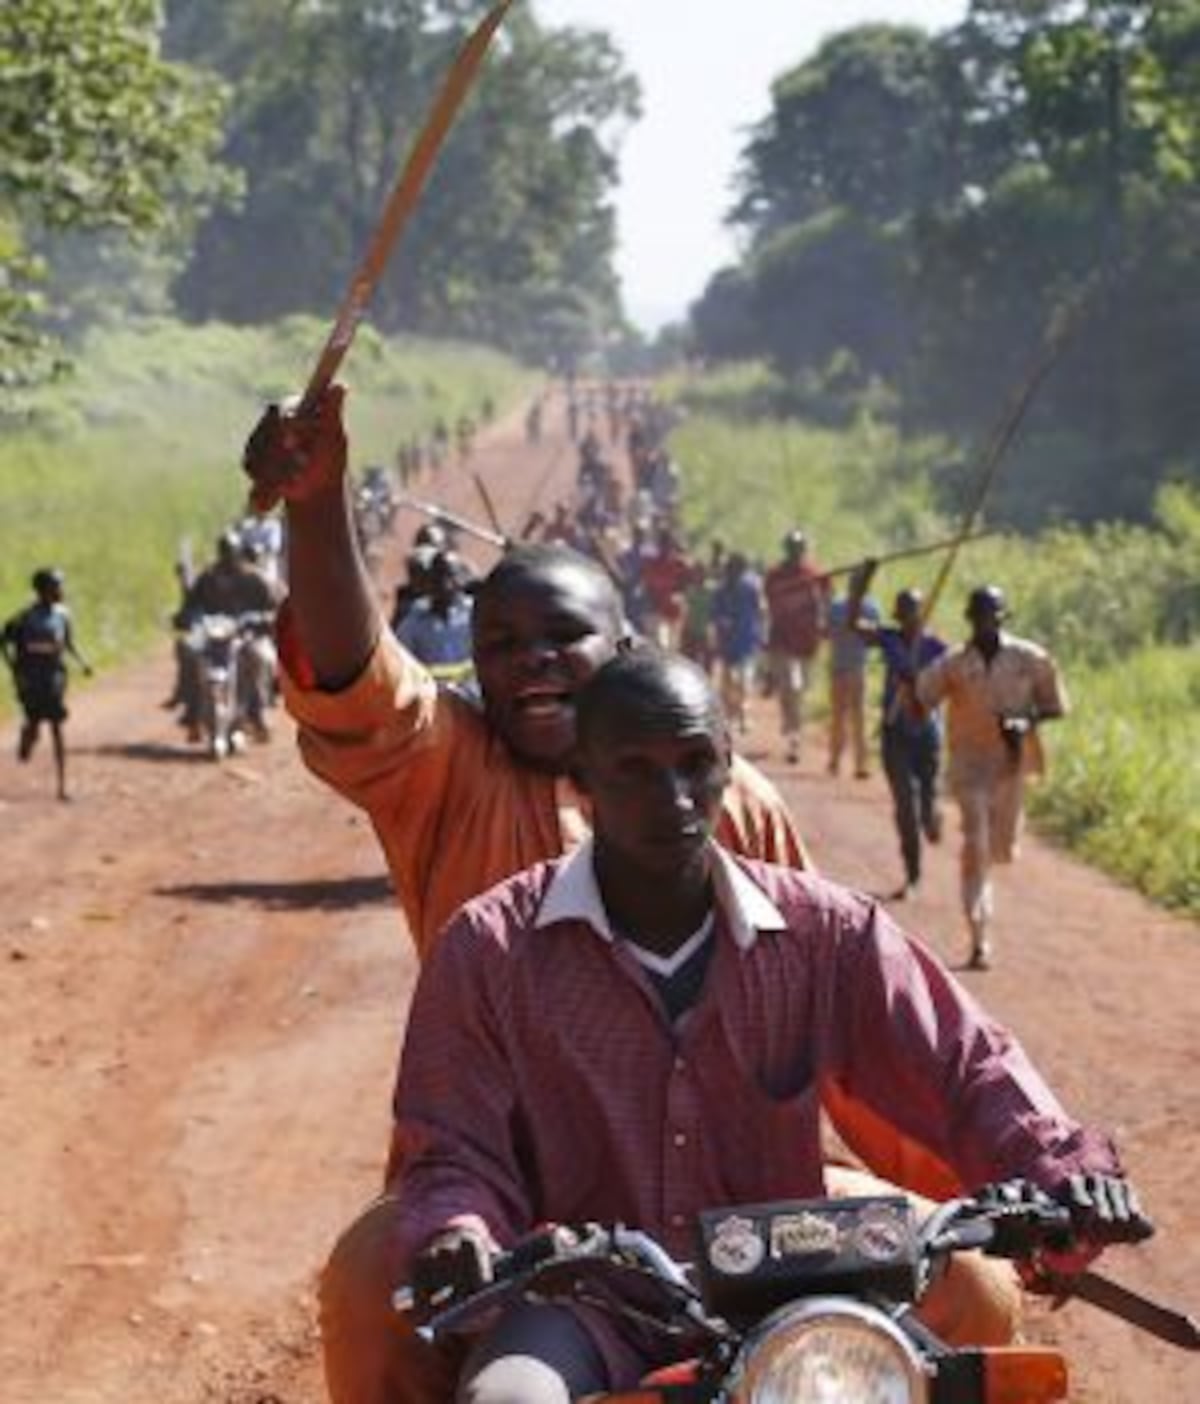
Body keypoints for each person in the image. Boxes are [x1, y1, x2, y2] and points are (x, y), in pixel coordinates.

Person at [385, 651, 1150, 1404]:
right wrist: (458, 1230)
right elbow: (453, 1146)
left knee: (954, 1382)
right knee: (508, 1398)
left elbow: (965, 1066)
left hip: (797, 1288)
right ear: (581, 783)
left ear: (728, 765)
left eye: (695, 764)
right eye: (635, 770)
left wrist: (1062, 1173)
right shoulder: (490, 948)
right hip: (583, 1303)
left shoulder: (830, 933)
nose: (675, 797)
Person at [917, 586, 1068, 970]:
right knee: (976, 845)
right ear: (970, 619)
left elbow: (1056, 705)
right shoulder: (954, 663)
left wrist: (1027, 719)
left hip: (1012, 766)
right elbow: (923, 696)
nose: (985, 623)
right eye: (979, 616)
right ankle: (979, 936)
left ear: (1002, 618)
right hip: (968, 767)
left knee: (1000, 849)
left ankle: (983, 905)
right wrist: (908, 672)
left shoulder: (1029, 658)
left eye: (992, 616)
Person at [849, 569, 948, 899]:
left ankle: (933, 814)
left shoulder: (936, 647)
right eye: (903, 614)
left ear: (921, 614)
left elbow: (953, 681)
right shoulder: (889, 639)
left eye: (912, 614)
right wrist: (858, 589)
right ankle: (913, 875)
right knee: (905, 805)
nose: (907, 620)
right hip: (895, 734)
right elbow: (853, 626)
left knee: (925, 806)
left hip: (927, 733)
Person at [174, 530, 280, 742]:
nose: (227, 558)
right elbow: (191, 604)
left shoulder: (254, 578)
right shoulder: (208, 577)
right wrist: (186, 617)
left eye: (231, 552)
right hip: (212, 634)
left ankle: (256, 713)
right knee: (188, 650)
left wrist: (264, 620)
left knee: (259, 657)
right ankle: (192, 712)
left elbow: (274, 605)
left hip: (245, 634)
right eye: (224, 553)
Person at [2, 568, 92, 801]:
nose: (61, 591)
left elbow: (69, 644)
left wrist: (83, 663)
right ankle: (28, 735)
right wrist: (14, 668)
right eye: (56, 587)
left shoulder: (63, 616)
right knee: (33, 723)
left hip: (54, 680)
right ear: (43, 591)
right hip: (31, 681)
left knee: (57, 728)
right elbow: (4, 640)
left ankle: (62, 787)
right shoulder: (25, 618)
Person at [763, 529, 829, 765]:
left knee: (800, 691)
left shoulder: (815, 575)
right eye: (792, 548)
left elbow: (825, 604)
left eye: (798, 548)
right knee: (791, 687)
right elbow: (769, 607)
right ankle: (794, 738)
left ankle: (793, 727)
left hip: (806, 643)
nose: (795, 553)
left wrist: (824, 628)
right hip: (782, 642)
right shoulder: (775, 576)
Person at [394, 550, 475, 688]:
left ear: (460, 578)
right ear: (430, 582)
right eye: (438, 577)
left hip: (473, 696)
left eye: (450, 575)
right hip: (432, 698)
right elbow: (399, 662)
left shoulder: (475, 614)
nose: (445, 584)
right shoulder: (414, 622)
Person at [826, 584, 879, 779]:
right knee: (847, 717)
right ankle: (839, 760)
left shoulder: (840, 606)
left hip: (853, 667)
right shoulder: (866, 607)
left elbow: (828, 633)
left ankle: (852, 762)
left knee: (852, 718)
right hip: (844, 667)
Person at [711, 551, 762, 735]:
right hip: (728, 644)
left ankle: (742, 716)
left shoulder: (750, 588)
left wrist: (760, 635)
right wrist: (721, 624)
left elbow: (760, 612)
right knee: (728, 682)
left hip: (746, 642)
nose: (733, 572)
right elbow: (715, 615)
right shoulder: (720, 590)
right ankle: (730, 716)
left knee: (743, 682)